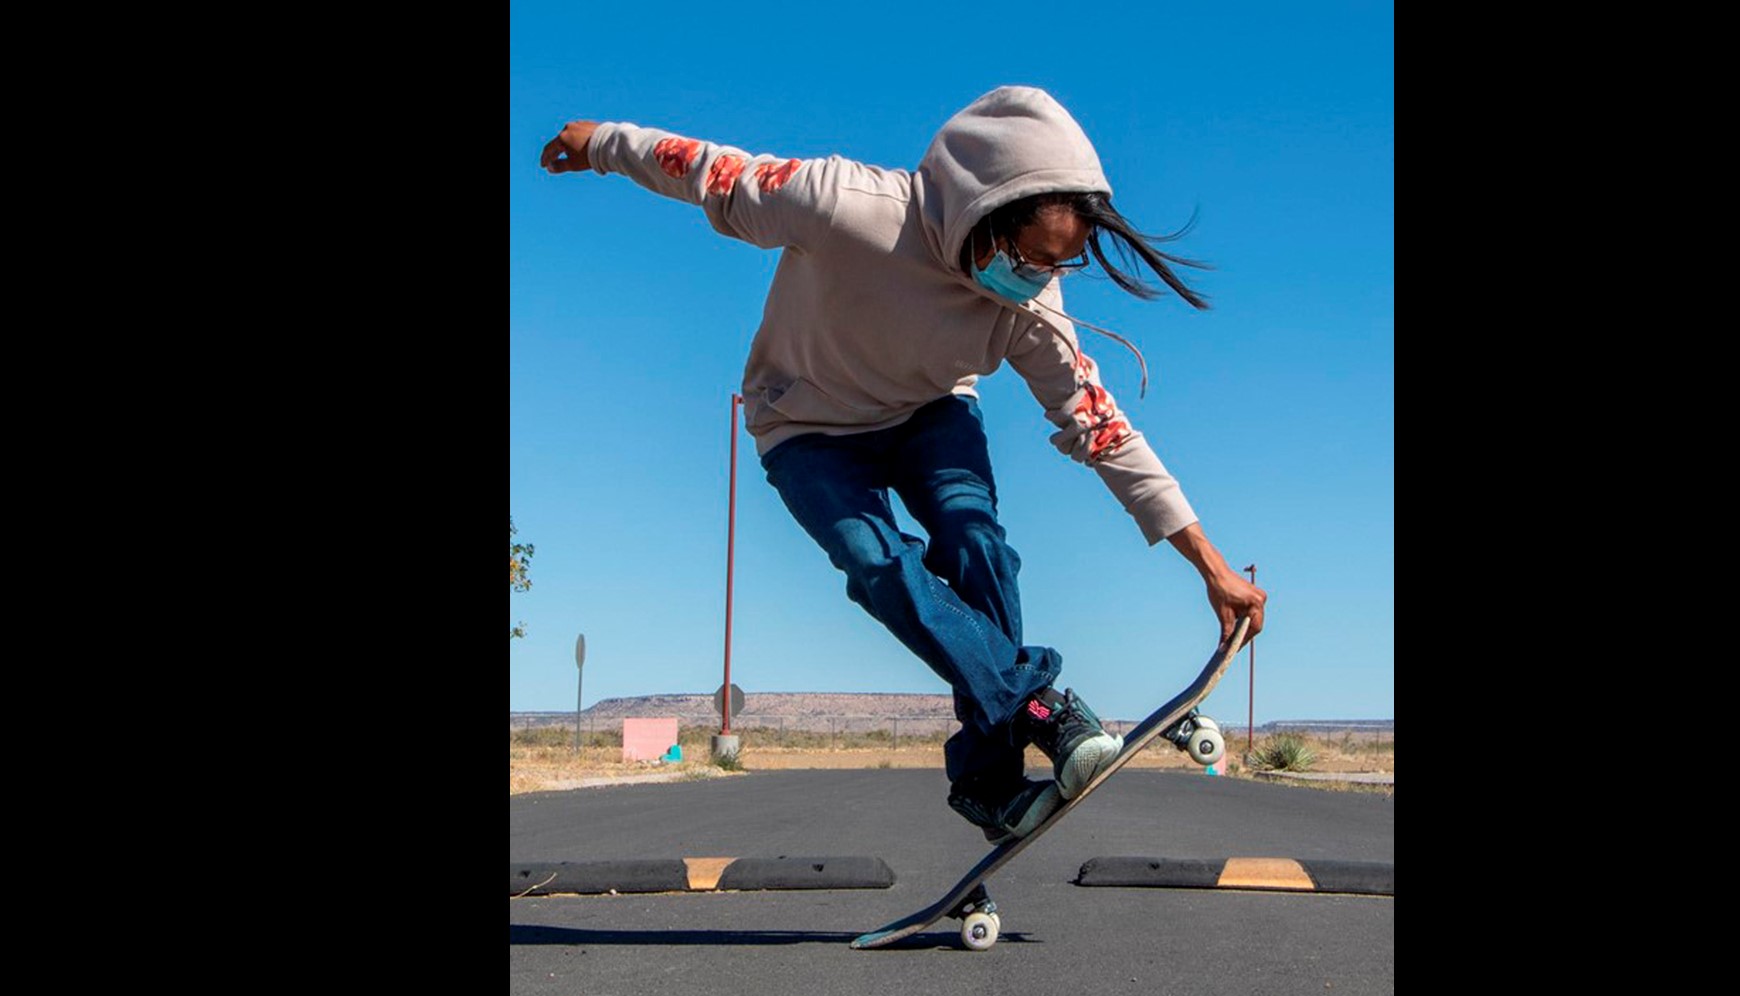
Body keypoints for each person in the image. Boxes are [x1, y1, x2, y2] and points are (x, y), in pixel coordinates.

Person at [541, 86, 1266, 844]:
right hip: (806, 426)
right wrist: (602, 144)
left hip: (929, 415)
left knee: (978, 545)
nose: (1038, 277)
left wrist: (1210, 566)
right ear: (980, 212)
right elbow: (708, 170)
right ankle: (1039, 709)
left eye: (1060, 263)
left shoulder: (1032, 308)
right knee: (877, 560)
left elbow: (1103, 430)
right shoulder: (843, 205)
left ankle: (989, 780)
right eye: (1030, 255)